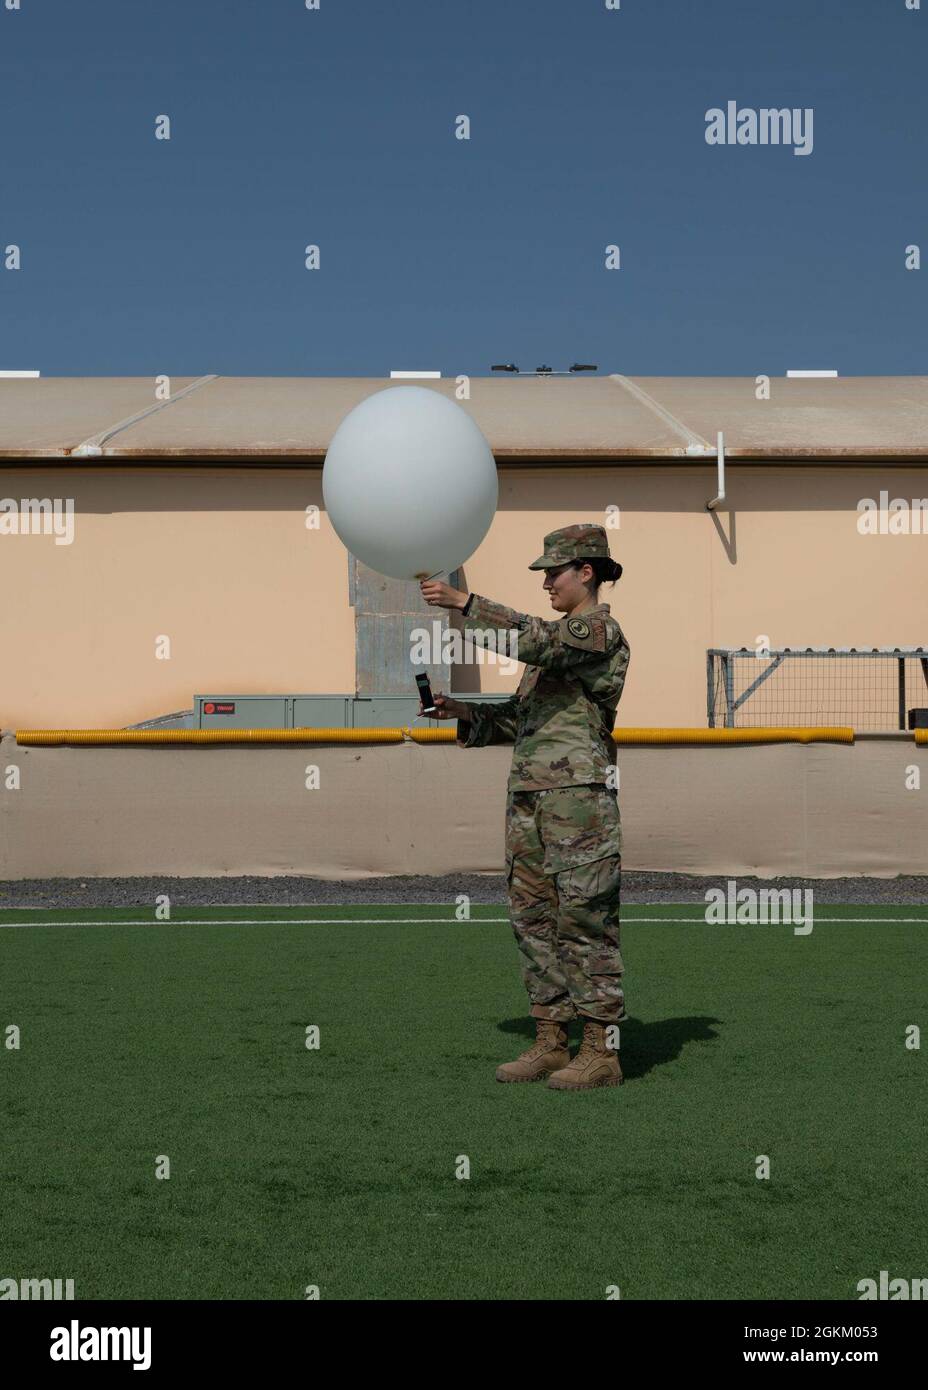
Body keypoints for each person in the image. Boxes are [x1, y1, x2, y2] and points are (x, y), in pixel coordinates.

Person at [419, 523, 631, 1091]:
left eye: (552, 573)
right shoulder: (552, 650)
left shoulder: (595, 632)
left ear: (586, 571)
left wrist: (467, 603)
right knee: (533, 920)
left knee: (584, 921)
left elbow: (535, 639)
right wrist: (463, 713)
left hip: (578, 805)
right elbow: (521, 720)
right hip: (530, 801)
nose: (546, 584)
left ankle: (601, 1050)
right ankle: (551, 1040)